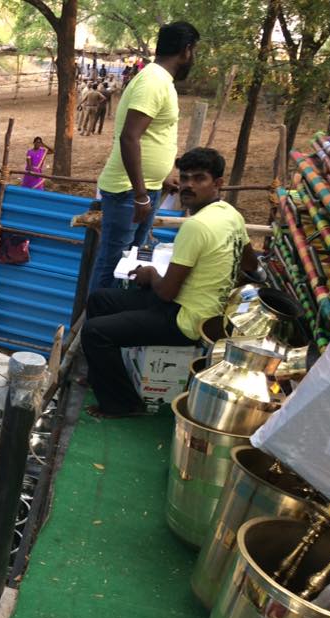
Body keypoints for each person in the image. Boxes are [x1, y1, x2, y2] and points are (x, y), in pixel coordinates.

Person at [81, 147, 257, 418]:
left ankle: (123, 405)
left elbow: (165, 292)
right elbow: (250, 264)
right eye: (184, 178)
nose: (188, 186)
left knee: (95, 332)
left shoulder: (196, 226)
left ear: (218, 184)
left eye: (199, 179)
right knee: (100, 299)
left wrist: (150, 274)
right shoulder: (230, 214)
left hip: (186, 319)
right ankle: (100, 378)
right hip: (199, 306)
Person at [89, 21, 200, 293]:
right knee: (113, 264)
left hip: (143, 189)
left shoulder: (160, 80)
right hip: (130, 193)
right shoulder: (153, 82)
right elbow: (130, 137)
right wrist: (140, 194)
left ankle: (111, 323)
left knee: (131, 262)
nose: (194, 57)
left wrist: (159, 180)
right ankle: (96, 327)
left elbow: (149, 138)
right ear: (186, 50)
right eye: (194, 51)